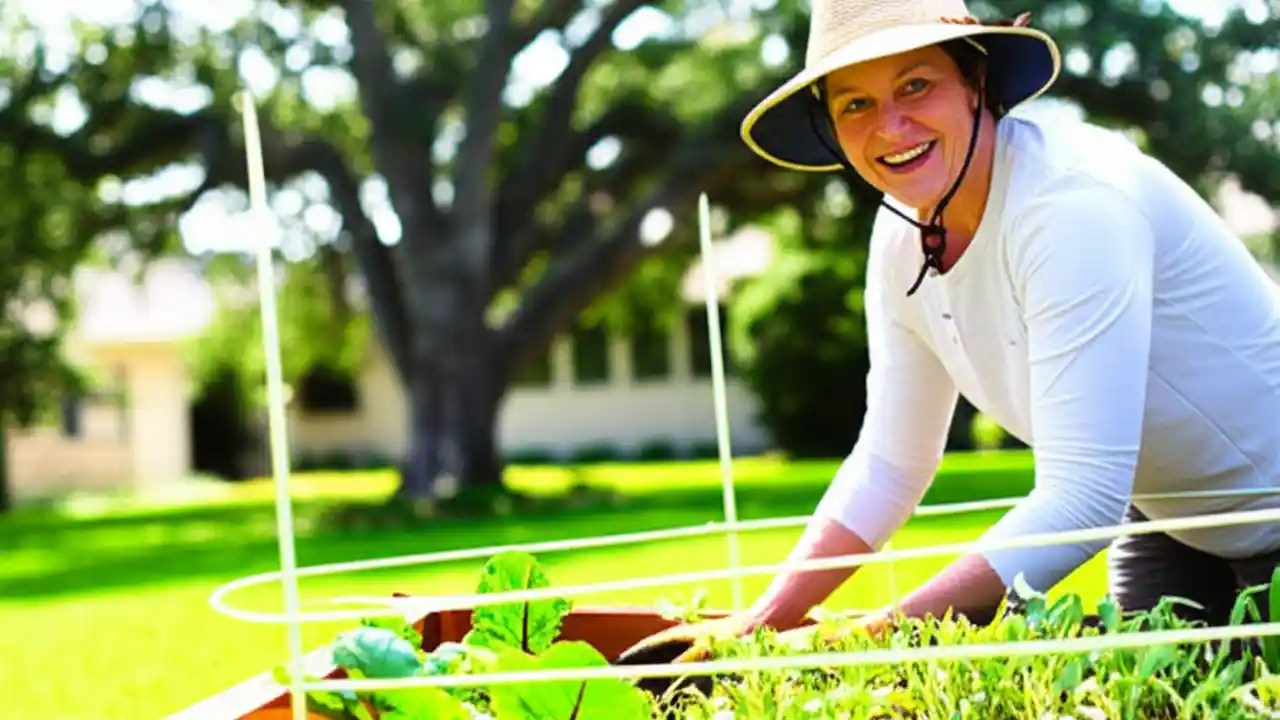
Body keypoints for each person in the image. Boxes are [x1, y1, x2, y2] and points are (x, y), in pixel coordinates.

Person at [618, 0, 1280, 667]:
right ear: (831, 130)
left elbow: (1081, 498)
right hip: (1172, 513)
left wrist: (848, 644)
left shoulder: (1072, 206)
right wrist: (756, 626)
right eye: (855, 105)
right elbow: (891, 462)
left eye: (915, 85)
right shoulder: (903, 231)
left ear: (977, 83)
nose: (891, 126)